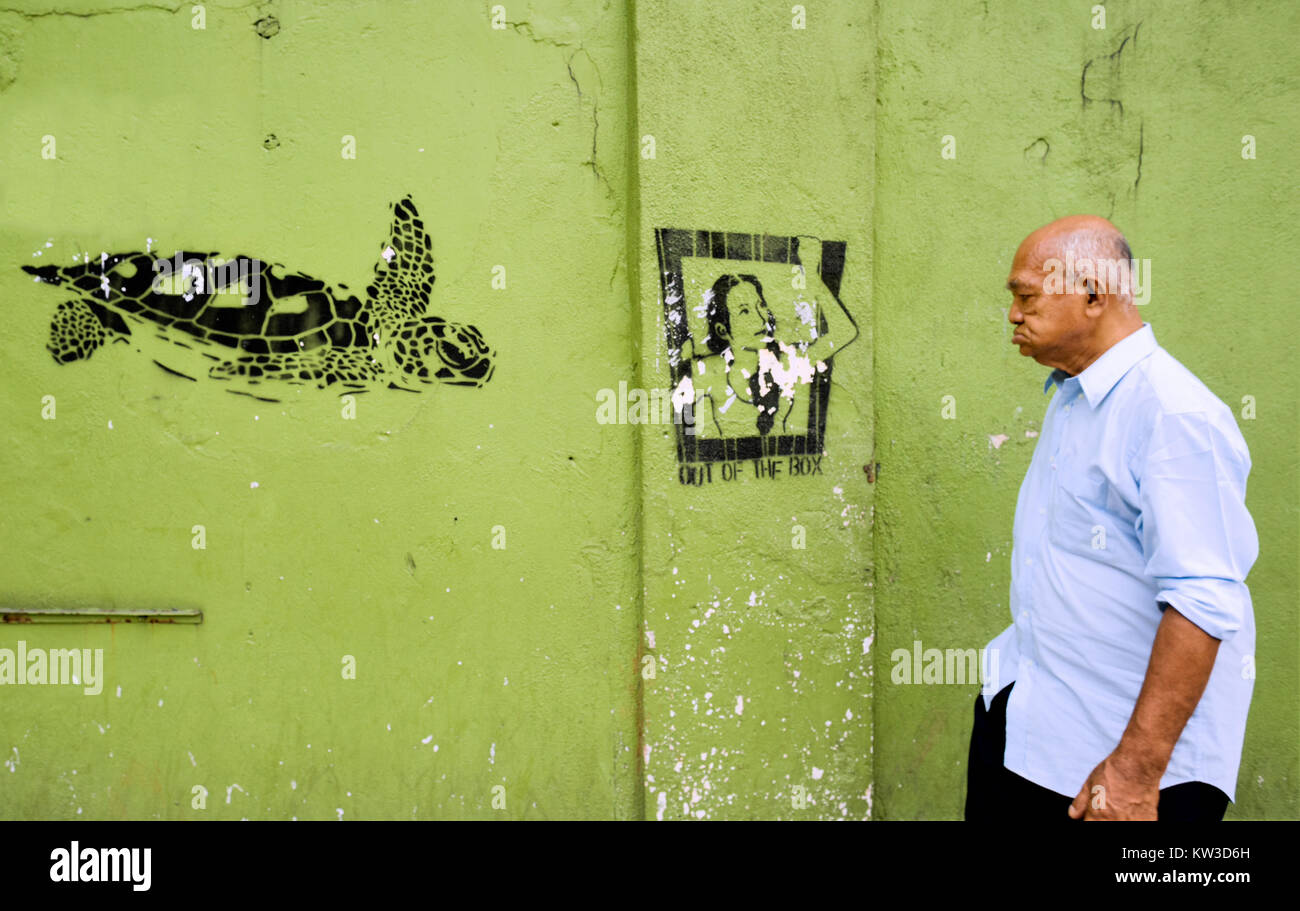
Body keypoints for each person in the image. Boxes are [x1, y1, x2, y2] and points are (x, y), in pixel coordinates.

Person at [966, 215, 1258, 821]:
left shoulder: (1174, 415)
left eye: (1027, 296)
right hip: (1031, 726)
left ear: (1094, 294)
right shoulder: (1074, 396)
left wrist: (1134, 771)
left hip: (1124, 770)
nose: (1013, 315)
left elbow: (1203, 599)